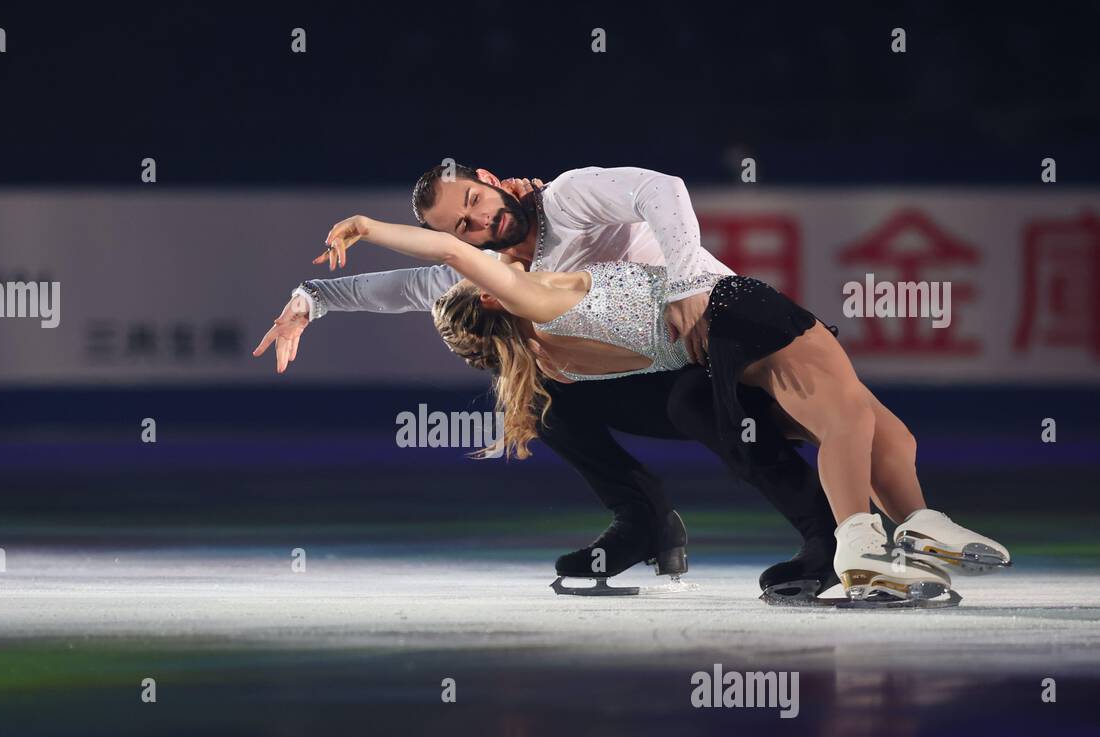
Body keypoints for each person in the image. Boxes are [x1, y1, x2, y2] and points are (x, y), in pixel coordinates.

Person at [305, 211, 1012, 602]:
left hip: (718, 343)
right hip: (737, 312)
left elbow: (443, 278)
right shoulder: (538, 302)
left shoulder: (549, 351)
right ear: (492, 295)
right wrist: (368, 227)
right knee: (852, 419)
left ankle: (913, 526)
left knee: (869, 424)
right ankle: (864, 544)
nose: (490, 253)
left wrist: (318, 299)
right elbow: (448, 258)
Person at [255, 165, 839, 598]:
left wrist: (687, 283)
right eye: (464, 225)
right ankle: (645, 523)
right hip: (657, 373)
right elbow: (412, 286)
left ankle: (827, 537)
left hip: (727, 343)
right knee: (537, 395)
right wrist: (312, 299)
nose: (481, 219)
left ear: (490, 180)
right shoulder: (502, 270)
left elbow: (664, 189)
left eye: (476, 200)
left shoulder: (567, 198)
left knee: (694, 401)